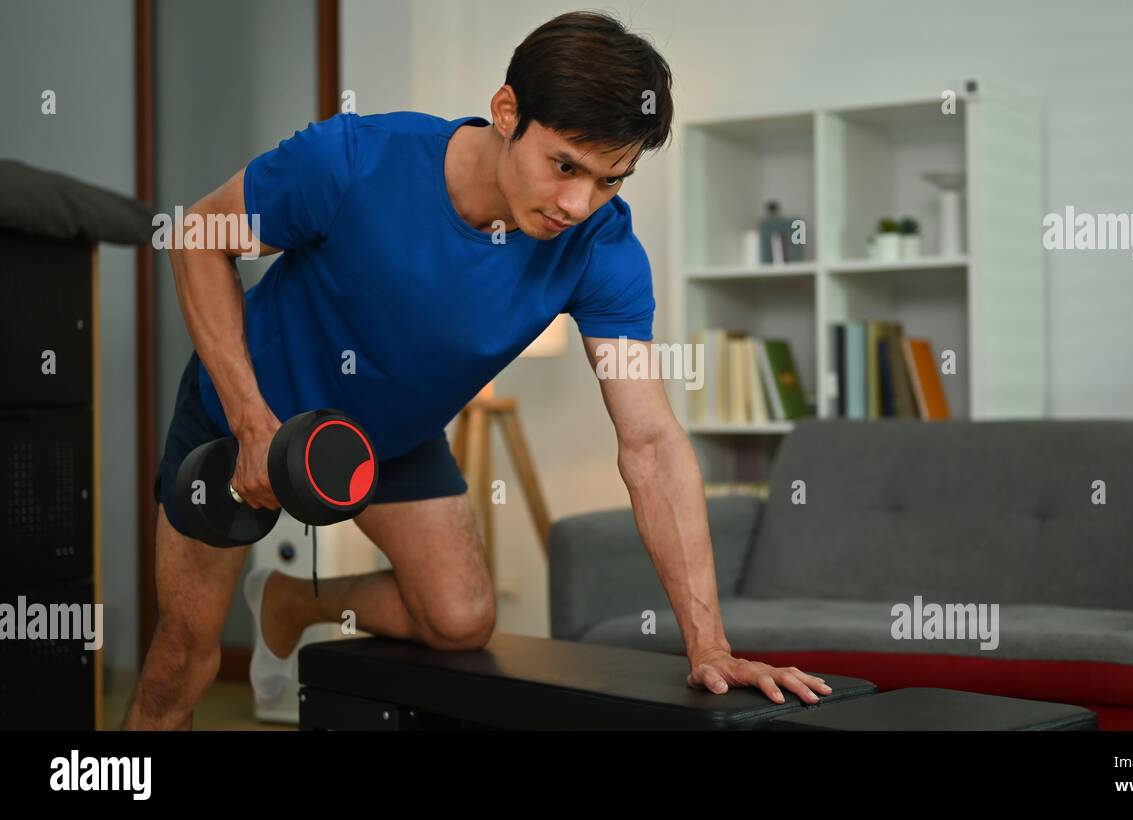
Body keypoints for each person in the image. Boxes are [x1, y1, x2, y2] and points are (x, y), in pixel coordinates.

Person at [124, 10, 830, 730]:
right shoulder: (355, 159)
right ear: (506, 112)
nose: (577, 205)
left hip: (389, 440)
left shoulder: (602, 250)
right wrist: (249, 420)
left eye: (610, 180)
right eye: (565, 165)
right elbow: (197, 239)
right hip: (244, 412)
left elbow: (649, 440)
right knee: (184, 659)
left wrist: (708, 646)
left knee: (459, 620)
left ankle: (290, 601)